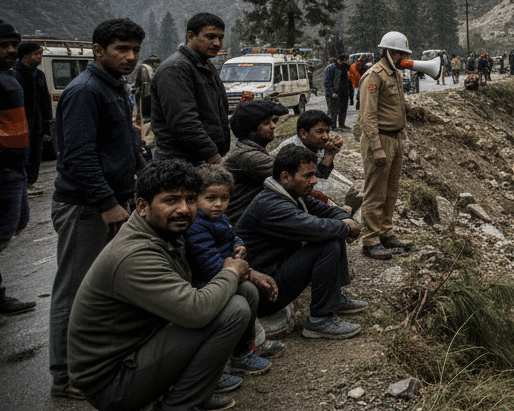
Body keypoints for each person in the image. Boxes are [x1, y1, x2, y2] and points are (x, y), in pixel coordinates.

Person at [67, 158, 271, 411]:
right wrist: (231, 272)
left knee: (244, 291)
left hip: (141, 350)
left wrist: (242, 272)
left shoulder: (166, 232)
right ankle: (179, 405)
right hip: (114, 383)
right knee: (234, 309)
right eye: (171, 200)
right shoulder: (136, 255)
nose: (184, 209)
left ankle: (197, 391)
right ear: (142, 206)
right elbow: (196, 310)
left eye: (191, 199)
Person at [48, 18, 145, 400]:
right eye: (122, 49)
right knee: (74, 292)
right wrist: (106, 204)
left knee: (106, 288)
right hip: (85, 207)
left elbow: (124, 144)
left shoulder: (115, 86)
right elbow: (78, 156)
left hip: (113, 201)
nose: (130, 56)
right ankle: (65, 375)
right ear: (98, 50)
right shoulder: (85, 91)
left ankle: (98, 362)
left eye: (135, 49)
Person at [234, 146, 365, 339]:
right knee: (328, 241)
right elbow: (317, 228)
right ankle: (320, 319)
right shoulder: (271, 205)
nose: (314, 180)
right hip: (264, 291)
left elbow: (327, 211)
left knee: (333, 231)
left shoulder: (292, 194)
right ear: (285, 177)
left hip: (276, 273)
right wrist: (347, 227)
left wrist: (347, 220)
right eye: (308, 175)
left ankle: (334, 298)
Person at [184, 166, 276, 379]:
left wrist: (238, 245)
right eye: (211, 198)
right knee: (246, 292)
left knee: (249, 291)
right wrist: (242, 272)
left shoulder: (219, 218)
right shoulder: (196, 225)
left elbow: (231, 235)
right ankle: (221, 363)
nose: (218, 204)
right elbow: (209, 264)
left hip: (225, 272)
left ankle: (244, 351)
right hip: (207, 281)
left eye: (224, 198)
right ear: (195, 198)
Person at [357, 32, 414, 260]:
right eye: (399, 53)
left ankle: (385, 232)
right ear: (389, 52)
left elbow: (396, 106)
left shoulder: (395, 76)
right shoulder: (374, 76)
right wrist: (376, 147)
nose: (402, 58)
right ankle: (371, 239)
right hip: (380, 139)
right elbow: (367, 115)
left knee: (391, 190)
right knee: (375, 191)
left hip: (395, 139)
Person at [152, 13, 229, 165]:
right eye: (210, 36)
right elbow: (184, 123)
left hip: (200, 159)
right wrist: (213, 157)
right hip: (180, 163)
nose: (217, 43)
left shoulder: (206, 65)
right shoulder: (175, 69)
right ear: (191, 36)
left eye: (220, 38)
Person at [0, 18, 35, 315]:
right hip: (4, 169)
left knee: (19, 222)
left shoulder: (8, 77)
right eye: (4, 45)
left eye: (14, 44)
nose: (12, 50)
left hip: (16, 168)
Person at [221, 100, 290, 222]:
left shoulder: (249, 149)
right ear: (251, 129)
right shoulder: (249, 156)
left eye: (273, 121)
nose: (273, 126)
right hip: (239, 222)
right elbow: (293, 175)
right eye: (266, 123)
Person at [11, 41, 51, 197]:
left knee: (35, 154)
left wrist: (46, 126)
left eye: (41, 53)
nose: (40, 57)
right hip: (21, 123)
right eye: (36, 54)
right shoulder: (15, 75)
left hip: (37, 124)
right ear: (26, 56)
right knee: (22, 154)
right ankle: (22, 183)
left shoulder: (39, 75)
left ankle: (30, 182)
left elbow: (45, 102)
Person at [130, 54, 157, 124]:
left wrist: (134, 87)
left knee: (144, 112)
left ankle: (141, 120)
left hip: (145, 93)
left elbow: (138, 81)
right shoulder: (152, 68)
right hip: (153, 92)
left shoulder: (142, 68)